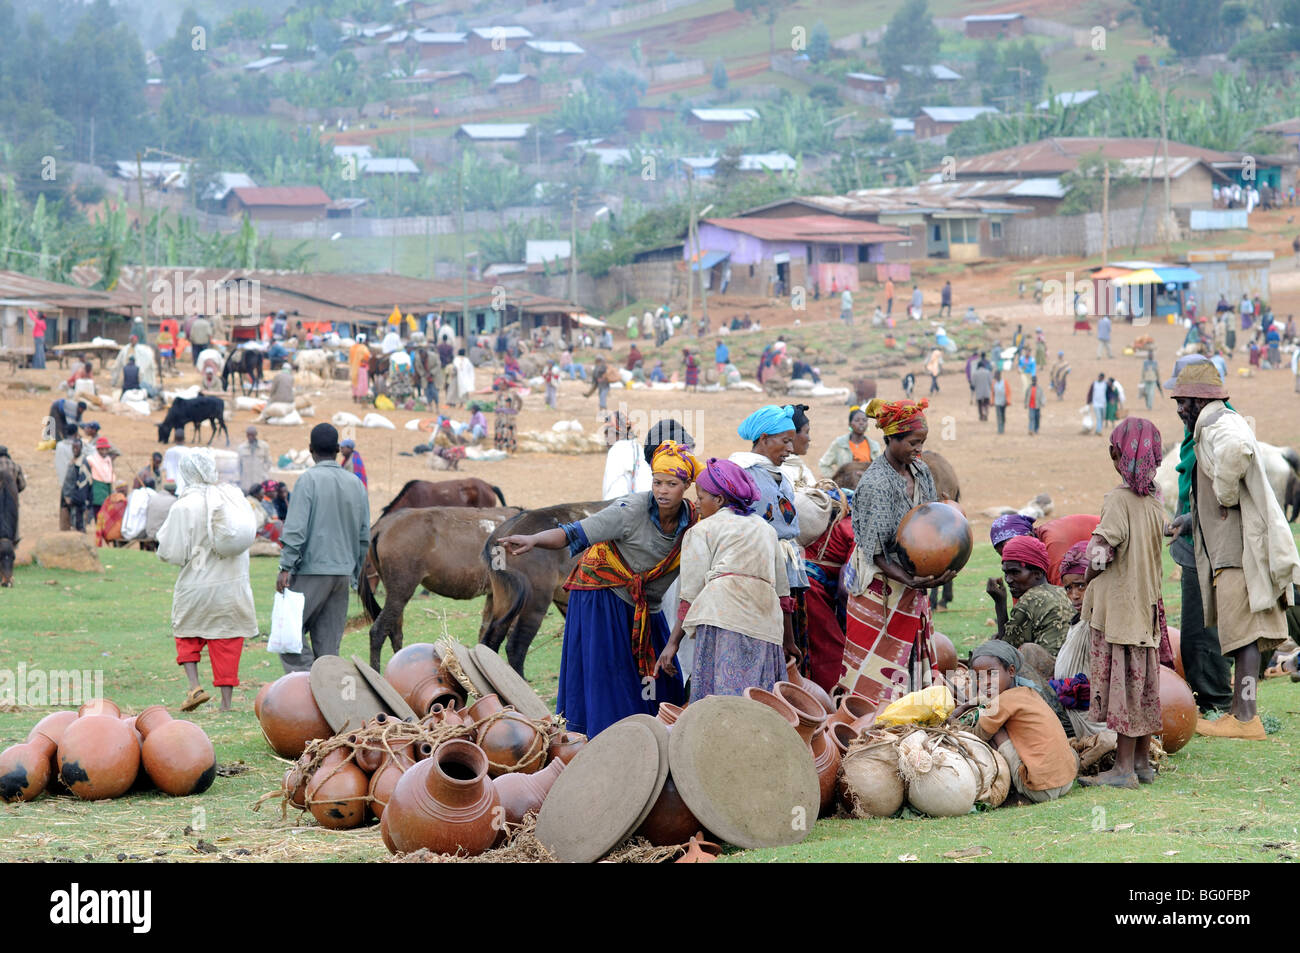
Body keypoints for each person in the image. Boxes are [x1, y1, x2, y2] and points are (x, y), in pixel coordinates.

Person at [499, 441, 700, 737]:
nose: (662, 491)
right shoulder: (630, 510)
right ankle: (604, 738)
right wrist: (533, 540)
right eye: (657, 482)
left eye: (672, 484)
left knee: (660, 679)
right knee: (609, 674)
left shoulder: (693, 522)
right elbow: (573, 533)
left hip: (645, 604)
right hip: (600, 593)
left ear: (686, 486)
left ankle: (655, 736)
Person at [1166, 362, 1300, 739]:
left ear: (1200, 399)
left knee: (1245, 636)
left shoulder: (1221, 424)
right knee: (1244, 636)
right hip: (1230, 548)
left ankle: (1246, 718)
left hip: (1238, 550)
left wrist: (1223, 493)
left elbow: (1239, 452)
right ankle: (1242, 713)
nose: (1179, 408)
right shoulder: (1211, 423)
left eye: (1183, 401)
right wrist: (1193, 519)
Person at [1069, 417, 1167, 788]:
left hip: (1120, 613)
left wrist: (1088, 575)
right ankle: (1142, 763)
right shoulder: (1155, 503)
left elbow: (1100, 554)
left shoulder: (1117, 501)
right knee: (1142, 688)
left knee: (1125, 689)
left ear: (1115, 453)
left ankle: (1123, 771)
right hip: (1146, 610)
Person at [841, 398, 955, 707]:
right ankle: (866, 723)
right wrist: (912, 580)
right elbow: (875, 553)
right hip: (879, 588)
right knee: (874, 672)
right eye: (912, 443)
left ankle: (913, 719)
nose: (918, 450)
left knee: (911, 663)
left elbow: (929, 522)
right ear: (890, 438)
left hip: (910, 580)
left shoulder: (921, 472)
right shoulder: (876, 484)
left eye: (922, 443)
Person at [656, 457, 789, 700]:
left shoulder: (702, 530)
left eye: (701, 496)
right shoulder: (766, 529)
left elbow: (690, 595)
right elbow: (783, 592)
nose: (696, 503)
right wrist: (789, 641)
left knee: (721, 698)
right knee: (761, 699)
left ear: (718, 499)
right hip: (766, 623)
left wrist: (672, 643)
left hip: (721, 618)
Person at [156, 450, 256, 712]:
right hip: (232, 586)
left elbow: (171, 551)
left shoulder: (183, 506)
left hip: (196, 586)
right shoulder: (233, 498)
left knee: (187, 633)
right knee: (227, 640)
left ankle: (194, 687)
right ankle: (226, 703)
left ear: (186, 473)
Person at [275, 423, 371, 673]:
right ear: (339, 449)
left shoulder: (308, 480)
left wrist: (285, 566)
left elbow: (295, 529)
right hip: (342, 573)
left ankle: (308, 685)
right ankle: (327, 699)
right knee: (329, 648)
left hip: (311, 570)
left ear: (310, 450)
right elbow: (363, 536)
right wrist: (354, 572)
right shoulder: (356, 484)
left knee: (289, 637)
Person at [952, 641, 1078, 804]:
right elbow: (991, 700)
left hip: (1039, 789)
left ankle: (1011, 788)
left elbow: (975, 737)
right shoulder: (1028, 691)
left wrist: (954, 723)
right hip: (1066, 782)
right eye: (980, 677)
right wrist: (967, 705)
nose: (986, 682)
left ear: (1011, 671)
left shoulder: (1001, 703)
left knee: (994, 730)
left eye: (992, 674)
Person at [731, 405, 809, 659]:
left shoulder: (780, 476)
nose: (790, 448)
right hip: (759, 571)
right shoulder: (741, 474)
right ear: (763, 439)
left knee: (790, 646)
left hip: (787, 570)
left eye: (792, 441)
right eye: (785, 441)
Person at [985, 535, 1073, 658]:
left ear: (1037, 573)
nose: (1008, 580)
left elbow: (1005, 653)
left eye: (1015, 573)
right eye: (1006, 573)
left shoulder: (1030, 600)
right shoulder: (1062, 591)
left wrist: (1000, 604)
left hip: (1048, 674)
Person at [818, 406, 884, 476]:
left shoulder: (874, 446)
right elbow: (824, 464)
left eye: (864, 420)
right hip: (845, 486)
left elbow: (881, 469)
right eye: (857, 420)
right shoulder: (839, 444)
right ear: (849, 424)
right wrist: (837, 479)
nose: (861, 423)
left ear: (867, 424)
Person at [602, 412, 651, 499]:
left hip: (623, 506)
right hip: (646, 503)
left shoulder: (617, 449)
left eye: (607, 432)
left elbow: (612, 492)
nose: (605, 437)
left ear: (618, 433)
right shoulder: (637, 447)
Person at [61, 436, 92, 532]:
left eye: (77, 448)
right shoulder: (72, 461)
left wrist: (73, 498)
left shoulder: (83, 464)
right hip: (69, 500)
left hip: (78, 501)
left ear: (81, 448)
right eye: (73, 448)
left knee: (79, 525)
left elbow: (84, 485)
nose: (75, 450)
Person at [781, 404, 818, 489]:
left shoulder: (798, 466)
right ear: (791, 435)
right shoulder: (783, 472)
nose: (809, 439)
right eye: (806, 432)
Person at [87, 437, 115, 521]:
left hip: (107, 490)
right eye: (102, 449)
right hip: (97, 491)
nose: (104, 452)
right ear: (98, 449)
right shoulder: (91, 460)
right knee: (98, 515)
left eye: (106, 449)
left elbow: (110, 476)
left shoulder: (108, 460)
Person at [237, 426, 272, 493]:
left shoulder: (264, 447)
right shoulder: (242, 448)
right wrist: (239, 478)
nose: (250, 437)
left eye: (252, 435)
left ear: (256, 434)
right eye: (248, 435)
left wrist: (263, 472)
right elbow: (239, 465)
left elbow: (268, 462)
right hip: (246, 482)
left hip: (259, 480)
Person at [971, 354, 992, 422]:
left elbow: (973, 384)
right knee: (986, 404)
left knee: (980, 404)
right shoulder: (987, 372)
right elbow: (990, 382)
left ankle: (981, 415)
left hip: (979, 392)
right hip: (986, 391)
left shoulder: (975, 373)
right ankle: (986, 413)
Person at [992, 368, 1010, 434]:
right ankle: (1000, 429)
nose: (995, 377)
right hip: (997, 402)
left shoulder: (1004, 382)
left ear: (999, 375)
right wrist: (992, 401)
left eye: (996, 375)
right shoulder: (994, 383)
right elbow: (992, 393)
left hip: (1003, 402)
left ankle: (1002, 427)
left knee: (1002, 416)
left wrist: (1007, 400)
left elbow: (1008, 392)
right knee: (998, 416)